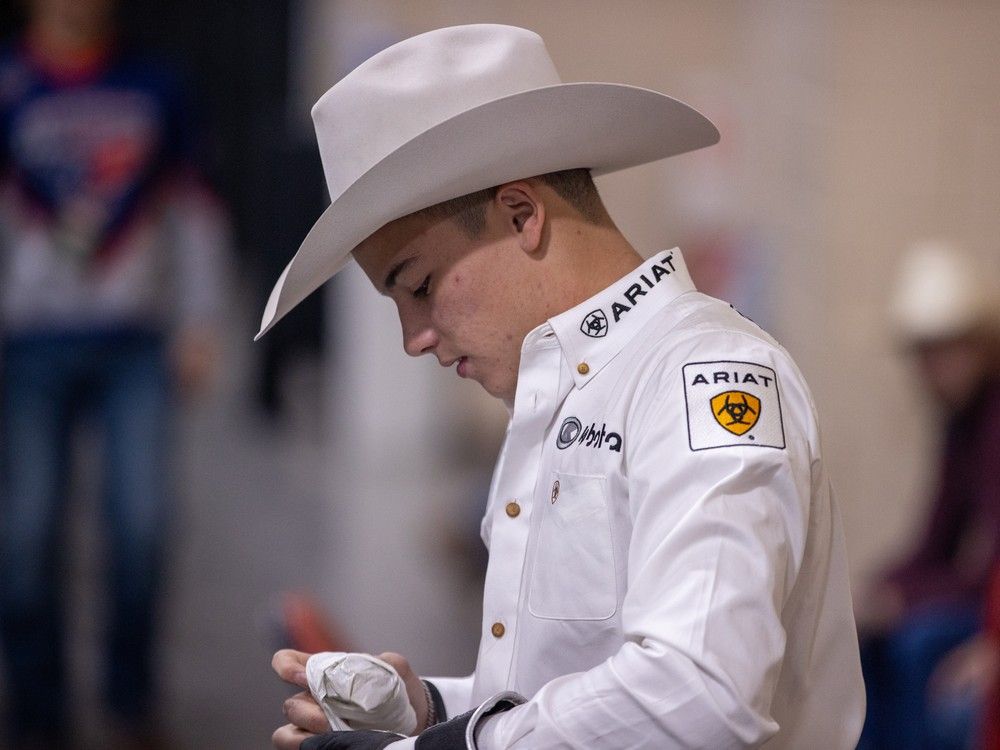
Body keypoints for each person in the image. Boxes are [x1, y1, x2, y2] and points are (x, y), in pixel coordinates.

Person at [260, 24, 864, 749]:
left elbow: (701, 692)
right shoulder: (566, 393)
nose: (413, 337)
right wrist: (428, 710)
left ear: (523, 214)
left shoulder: (700, 379)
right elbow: (561, 696)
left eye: (419, 285)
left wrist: (444, 747)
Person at [0, 0, 230, 747]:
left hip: (136, 342)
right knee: (26, 535)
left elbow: (197, 208)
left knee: (144, 526)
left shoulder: (155, 83)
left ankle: (130, 700)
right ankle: (38, 713)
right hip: (27, 342)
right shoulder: (7, 84)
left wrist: (199, 319)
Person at [857, 241, 1000, 750]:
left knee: (917, 644)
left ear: (981, 343)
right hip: (979, 603)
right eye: (924, 352)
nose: (933, 367)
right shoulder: (960, 426)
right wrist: (888, 590)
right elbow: (937, 540)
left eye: (947, 348)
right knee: (868, 635)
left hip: (989, 615)